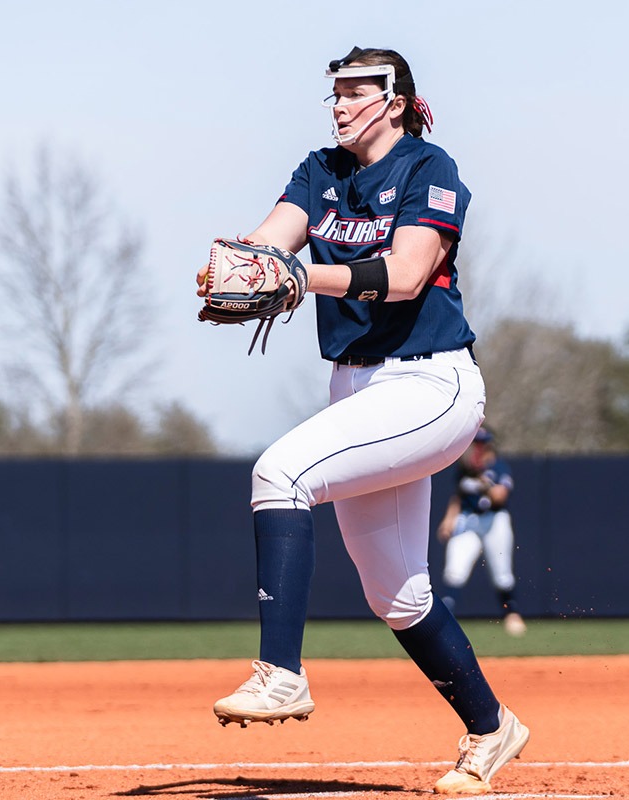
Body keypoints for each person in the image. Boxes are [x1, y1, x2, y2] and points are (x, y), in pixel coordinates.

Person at [196, 46, 529, 794]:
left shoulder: (427, 169)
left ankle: (280, 672)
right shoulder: (320, 171)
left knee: (278, 473)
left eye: (356, 92)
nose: (341, 104)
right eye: (335, 93)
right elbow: (272, 239)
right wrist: (245, 263)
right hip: (354, 388)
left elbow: (408, 275)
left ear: (397, 100)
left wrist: (296, 276)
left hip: (431, 385)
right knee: (398, 595)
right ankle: (491, 727)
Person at [436, 427, 527, 637]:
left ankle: (512, 614)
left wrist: (484, 482)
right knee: (454, 569)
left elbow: (500, 497)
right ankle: (445, 619)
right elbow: (458, 496)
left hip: (494, 520)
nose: (476, 448)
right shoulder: (464, 468)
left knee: (502, 573)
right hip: (468, 519)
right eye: (474, 443)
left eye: (480, 443)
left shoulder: (499, 467)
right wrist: (449, 519)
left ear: (488, 445)